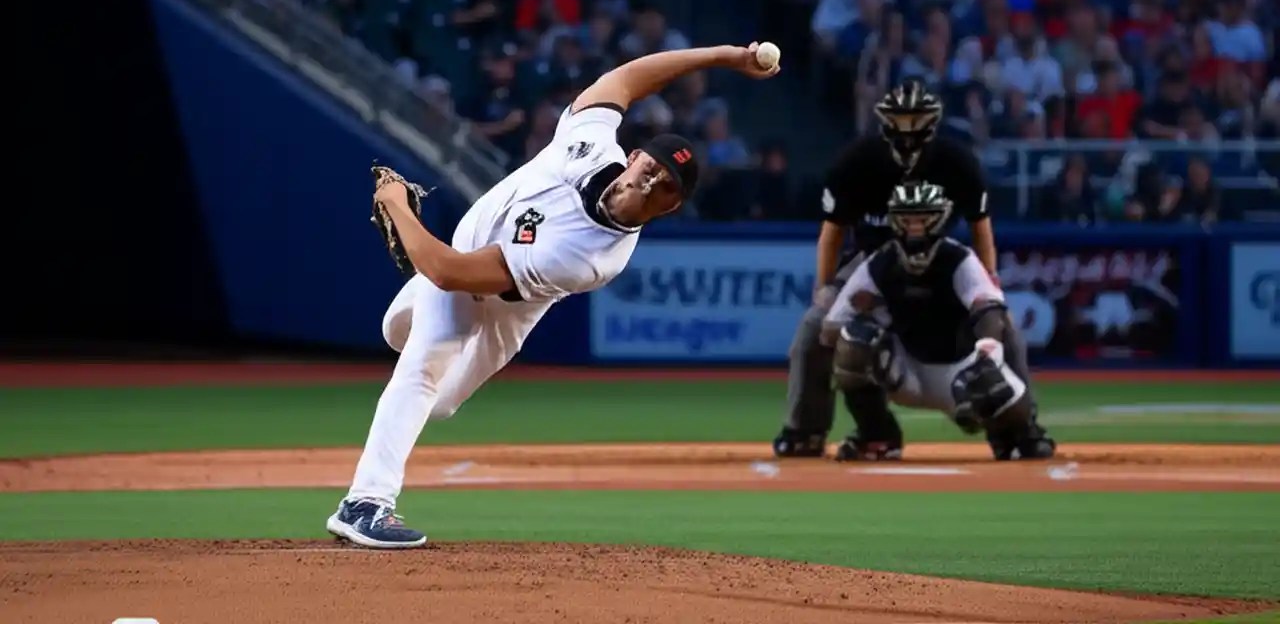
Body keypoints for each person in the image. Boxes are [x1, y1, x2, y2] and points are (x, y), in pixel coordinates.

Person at [327, 43, 780, 549]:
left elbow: (449, 273)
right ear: (632, 157)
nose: (651, 180)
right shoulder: (590, 140)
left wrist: (398, 209)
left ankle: (419, 316)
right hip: (465, 255)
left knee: (440, 400)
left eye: (666, 187)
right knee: (426, 362)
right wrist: (725, 56)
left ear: (670, 208)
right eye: (651, 166)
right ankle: (365, 502)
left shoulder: (593, 257)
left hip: (506, 302)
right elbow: (629, 77)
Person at [773, 78, 999, 461]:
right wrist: (825, 286)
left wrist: (990, 279)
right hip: (873, 264)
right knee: (815, 331)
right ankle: (808, 430)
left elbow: (982, 226)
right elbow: (832, 232)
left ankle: (1019, 429)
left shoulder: (957, 162)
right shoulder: (858, 161)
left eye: (917, 122)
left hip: (941, 261)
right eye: (901, 122)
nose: (908, 133)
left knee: (999, 323)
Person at [825, 183, 1055, 461]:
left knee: (991, 375)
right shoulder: (880, 263)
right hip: (904, 371)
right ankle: (877, 434)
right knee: (854, 341)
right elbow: (830, 329)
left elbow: (990, 311)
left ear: (939, 219)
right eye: (907, 219)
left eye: (922, 219)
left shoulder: (958, 258)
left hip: (962, 375)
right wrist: (877, 319)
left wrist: (988, 349)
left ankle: (1018, 434)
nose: (914, 227)